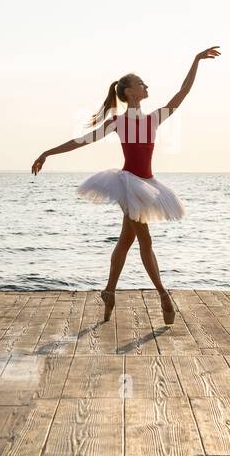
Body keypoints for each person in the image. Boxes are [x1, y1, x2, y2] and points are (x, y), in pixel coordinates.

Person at [31, 48, 220, 324]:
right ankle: (163, 295)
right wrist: (47, 153)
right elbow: (81, 141)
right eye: (141, 84)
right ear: (130, 92)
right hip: (128, 185)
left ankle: (109, 292)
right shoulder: (117, 122)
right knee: (145, 241)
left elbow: (183, 93)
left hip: (147, 183)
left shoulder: (153, 119)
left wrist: (195, 61)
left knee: (126, 240)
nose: (146, 87)